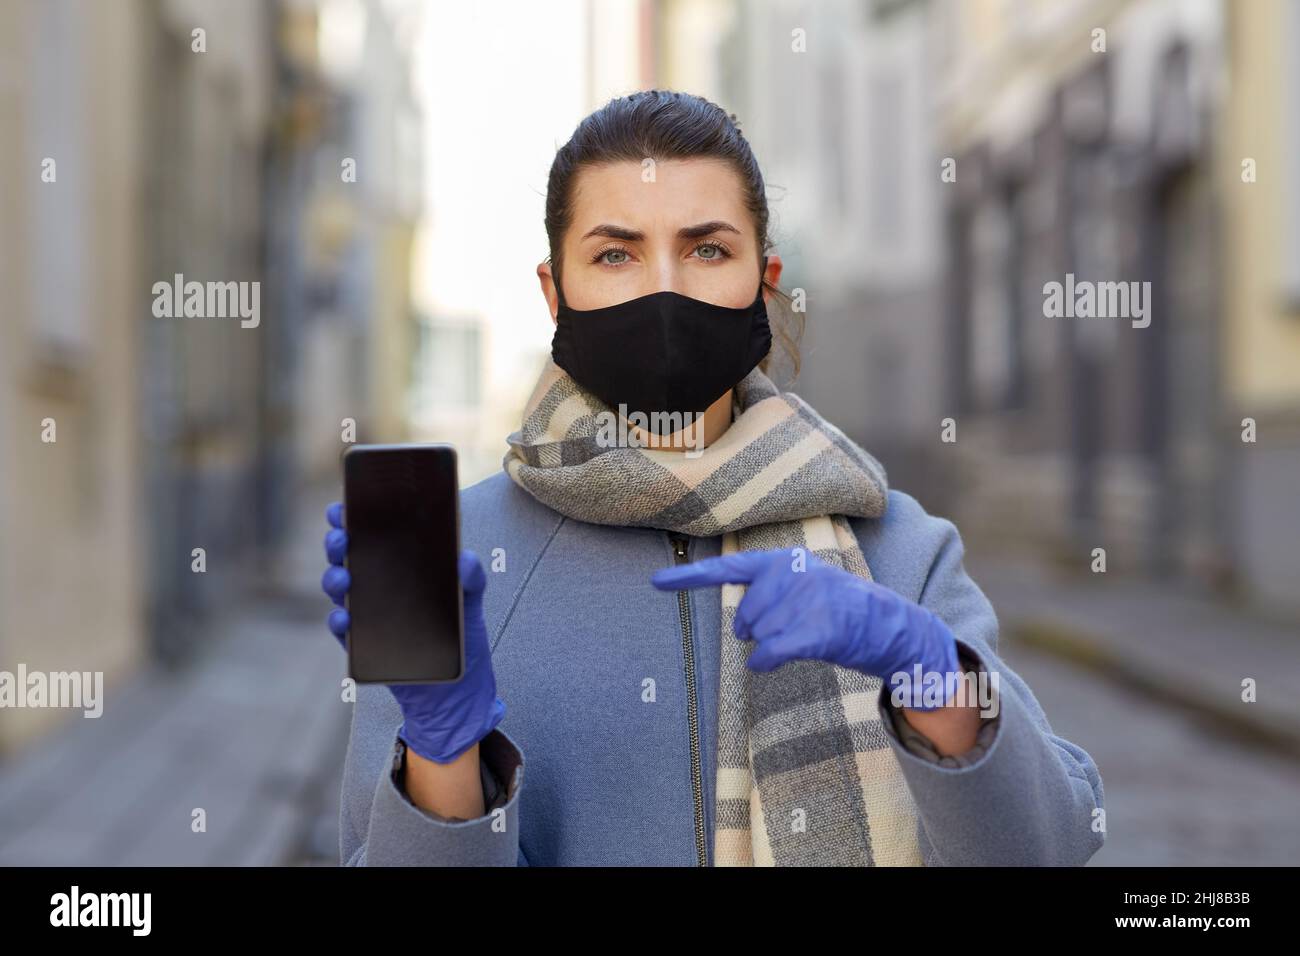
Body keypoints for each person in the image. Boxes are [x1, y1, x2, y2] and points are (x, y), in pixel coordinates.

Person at [320, 90, 1105, 866]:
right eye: (615, 254)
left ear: (763, 283)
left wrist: (934, 681)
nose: (664, 289)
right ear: (555, 292)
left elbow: (1046, 848)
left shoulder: (900, 551)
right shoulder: (457, 568)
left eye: (706, 250)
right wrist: (447, 759)